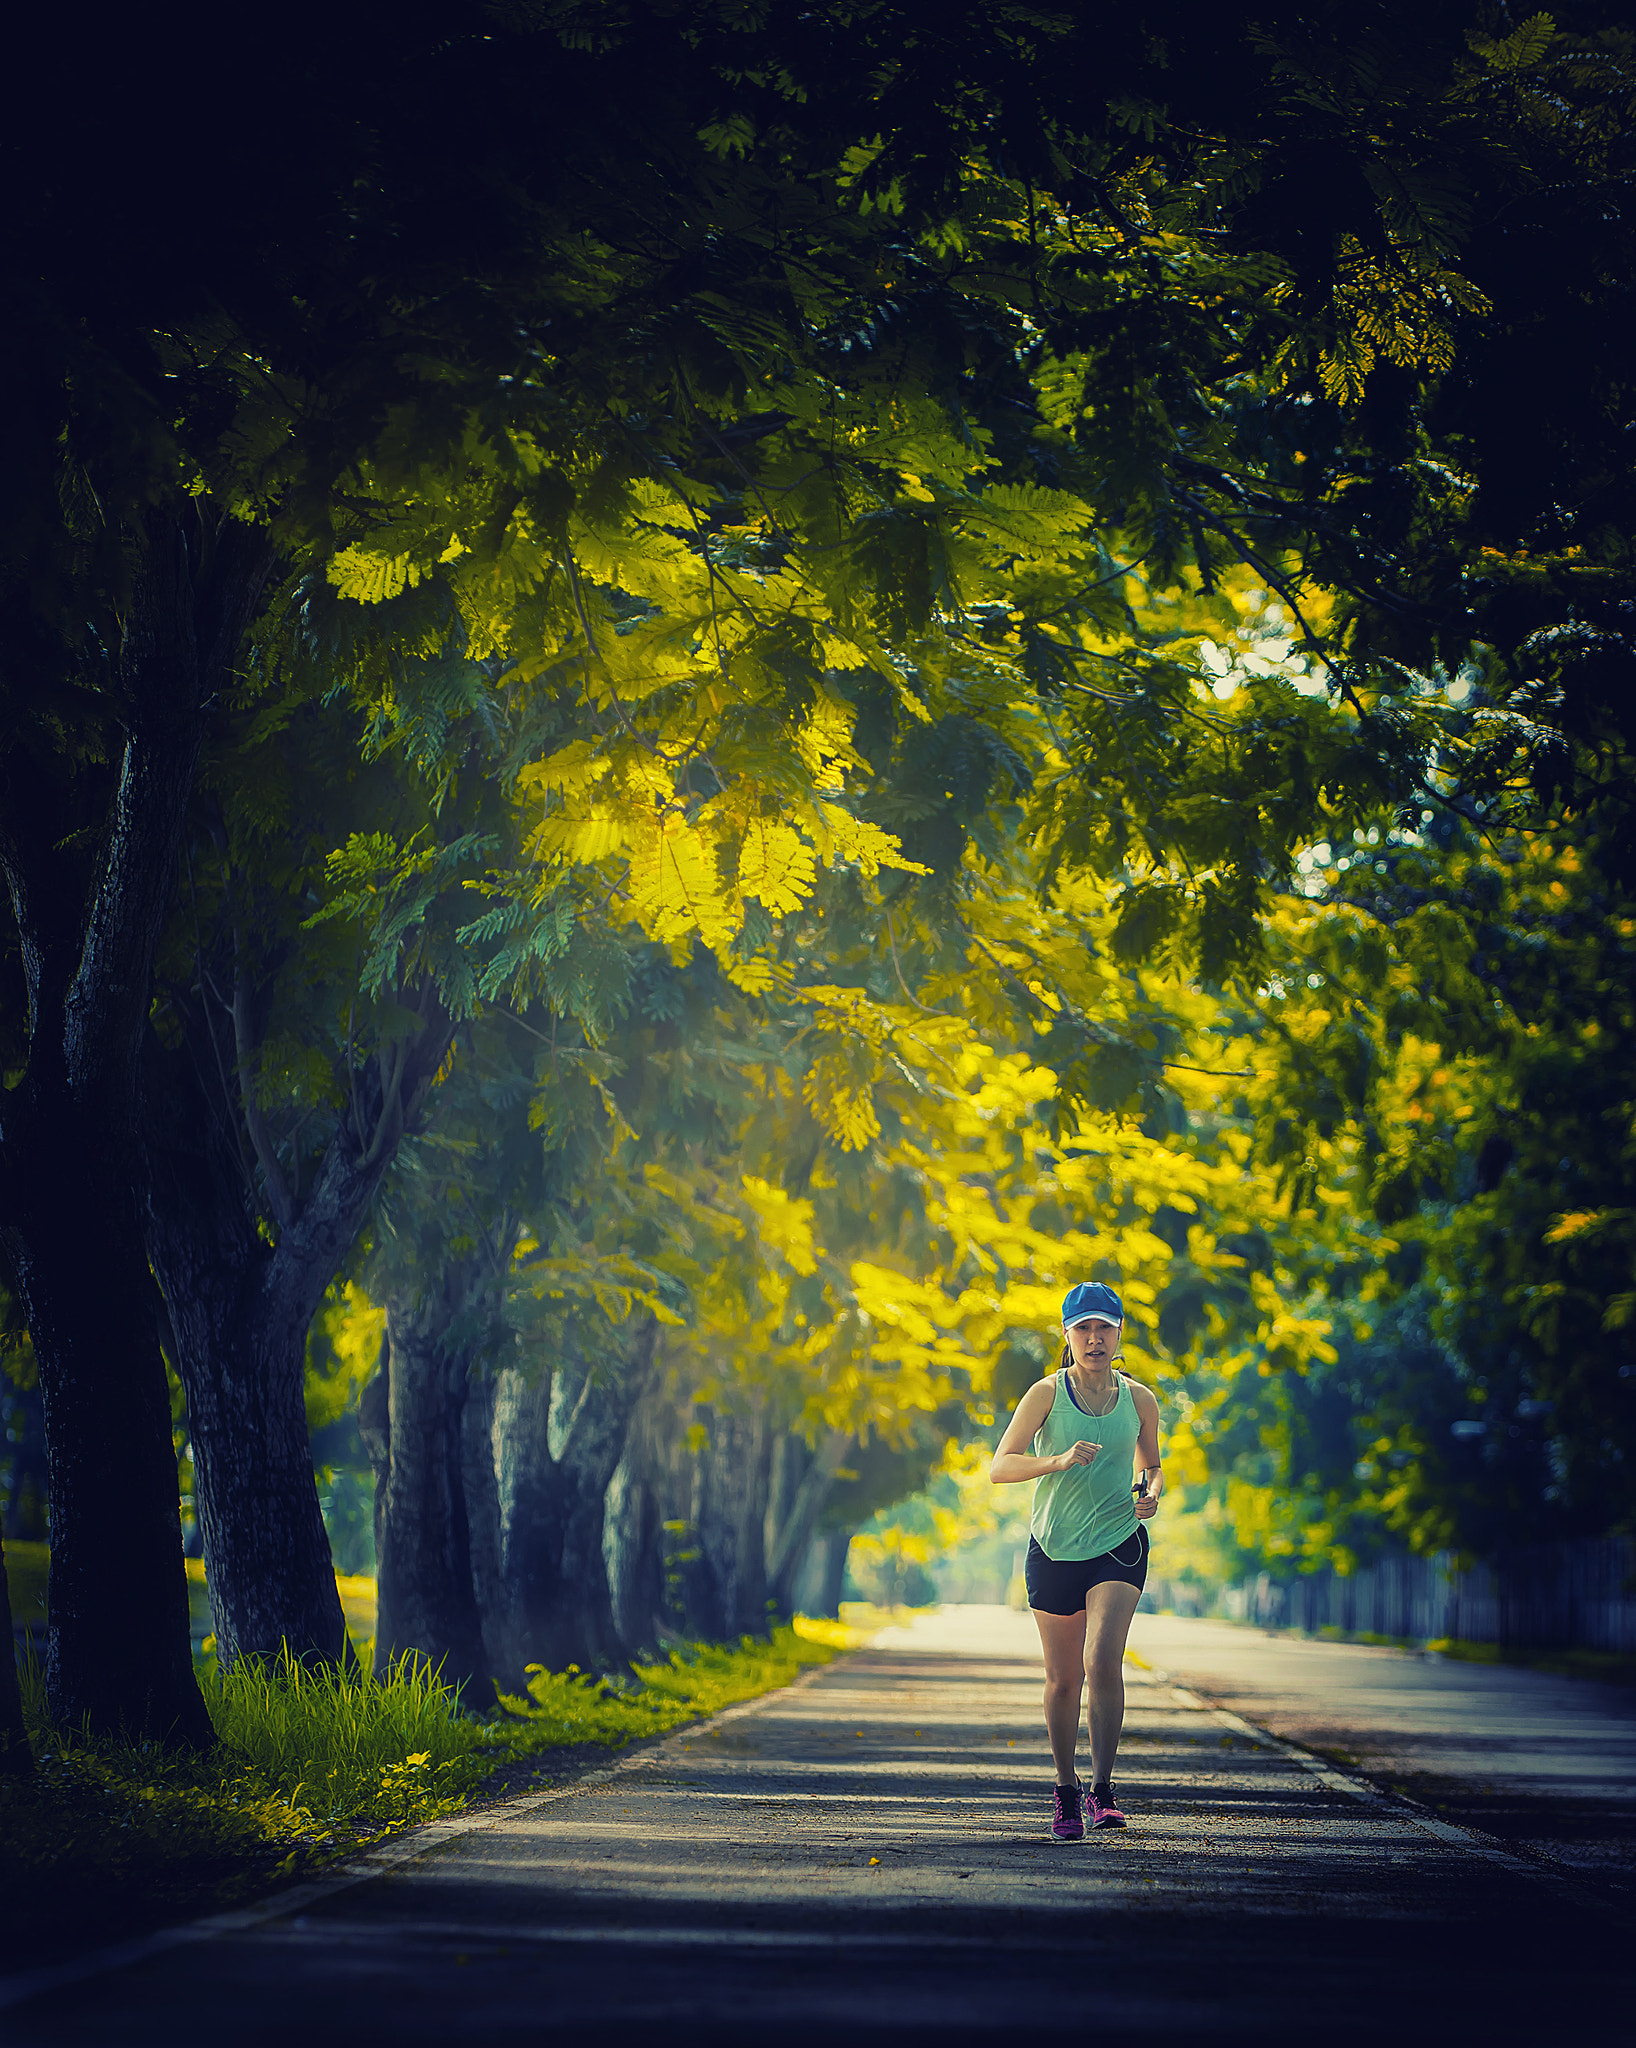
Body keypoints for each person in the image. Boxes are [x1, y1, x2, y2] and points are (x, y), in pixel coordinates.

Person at [990, 1280, 1162, 1839]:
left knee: (1101, 1659)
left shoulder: (1140, 1400)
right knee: (1064, 1679)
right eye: (1083, 1328)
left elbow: (1152, 1464)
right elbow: (1001, 1466)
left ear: (1118, 1335)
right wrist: (1057, 1461)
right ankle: (1065, 1789)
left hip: (1119, 1540)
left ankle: (1103, 1788)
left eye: (1104, 1328)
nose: (1094, 1339)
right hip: (1055, 1546)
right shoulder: (1046, 1394)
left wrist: (1151, 1491)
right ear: (1067, 1335)